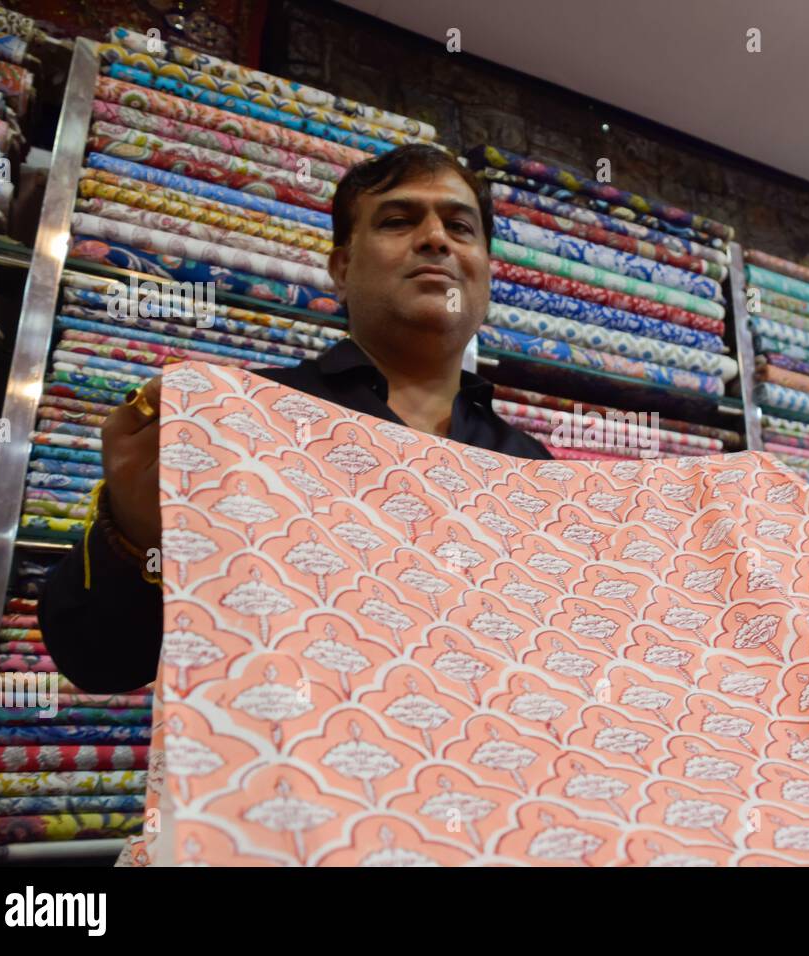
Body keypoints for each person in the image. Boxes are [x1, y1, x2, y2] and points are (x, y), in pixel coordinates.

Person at [39, 145, 552, 693]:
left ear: (487, 274)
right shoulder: (239, 420)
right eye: (399, 221)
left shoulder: (534, 473)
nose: (435, 238)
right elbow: (101, 663)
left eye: (460, 226)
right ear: (342, 267)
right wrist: (139, 536)